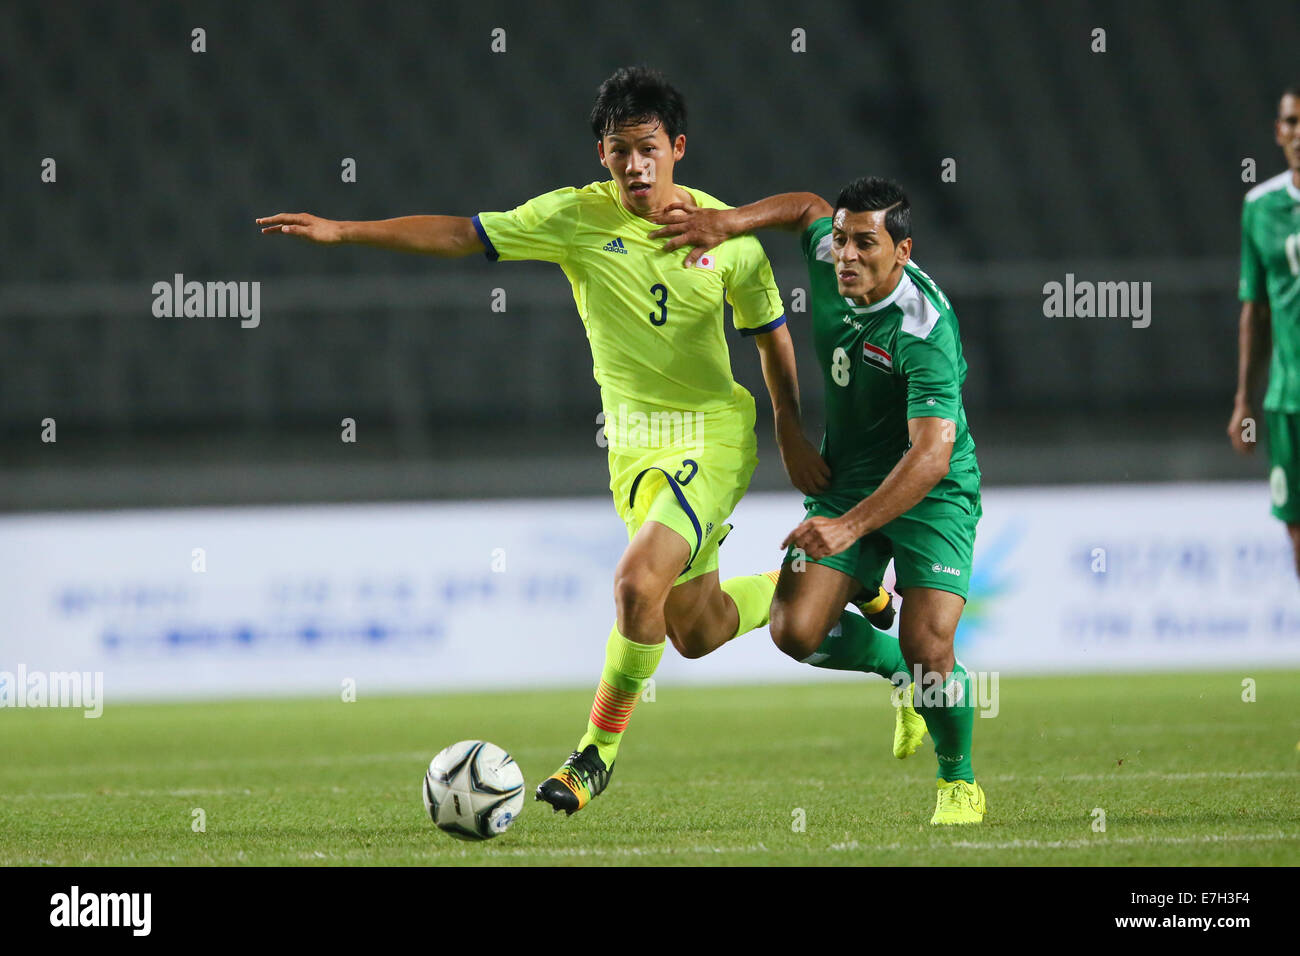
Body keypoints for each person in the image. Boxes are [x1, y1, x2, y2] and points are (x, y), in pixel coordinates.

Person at [258, 66, 830, 816]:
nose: (634, 164)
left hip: (710, 438)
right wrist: (345, 229)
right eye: (619, 149)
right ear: (601, 155)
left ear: (678, 147)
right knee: (697, 628)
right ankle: (823, 576)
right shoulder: (574, 218)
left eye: (648, 147)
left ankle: (595, 755)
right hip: (633, 451)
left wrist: (788, 427)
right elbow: (465, 233)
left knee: (633, 583)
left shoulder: (731, 236)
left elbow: (770, 336)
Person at [653, 177, 985, 824]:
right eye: (841, 241)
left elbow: (930, 456)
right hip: (851, 480)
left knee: (931, 649)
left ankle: (958, 782)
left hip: (932, 494)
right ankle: (892, 667)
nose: (848, 256)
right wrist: (730, 222)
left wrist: (846, 528)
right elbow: (805, 207)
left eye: (866, 243)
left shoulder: (924, 329)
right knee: (794, 632)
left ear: (903, 251)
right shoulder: (833, 252)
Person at [1229, 84, 1300, 579]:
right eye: (1292, 122)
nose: (1299, 132)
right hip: (1287, 399)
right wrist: (1243, 401)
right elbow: (1254, 312)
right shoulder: (1260, 206)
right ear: (1278, 132)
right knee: (1296, 531)